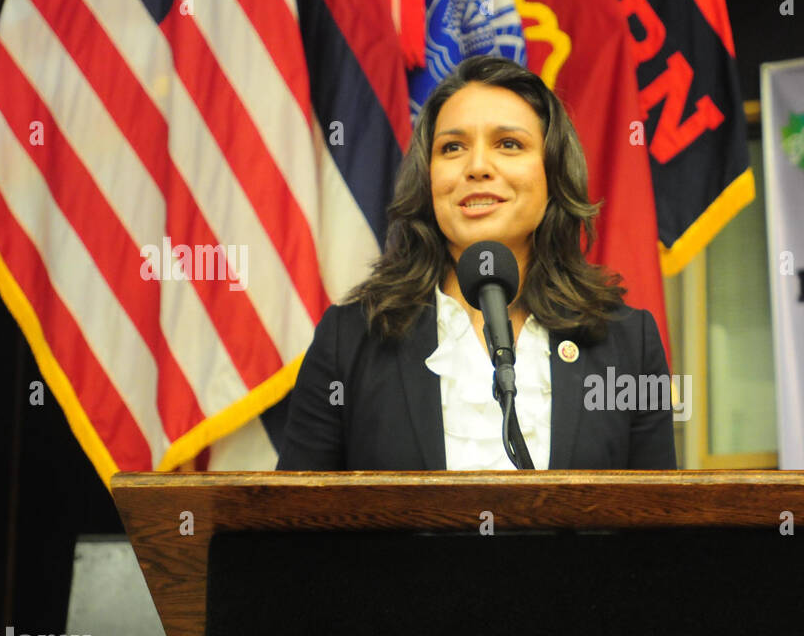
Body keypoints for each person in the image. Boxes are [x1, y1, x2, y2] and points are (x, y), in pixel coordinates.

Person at [276, 55, 676, 470]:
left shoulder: (628, 344)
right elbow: (292, 524)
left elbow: (659, 524)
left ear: (552, 172)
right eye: (452, 148)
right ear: (427, 177)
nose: (478, 167)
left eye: (509, 144)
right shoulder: (350, 340)